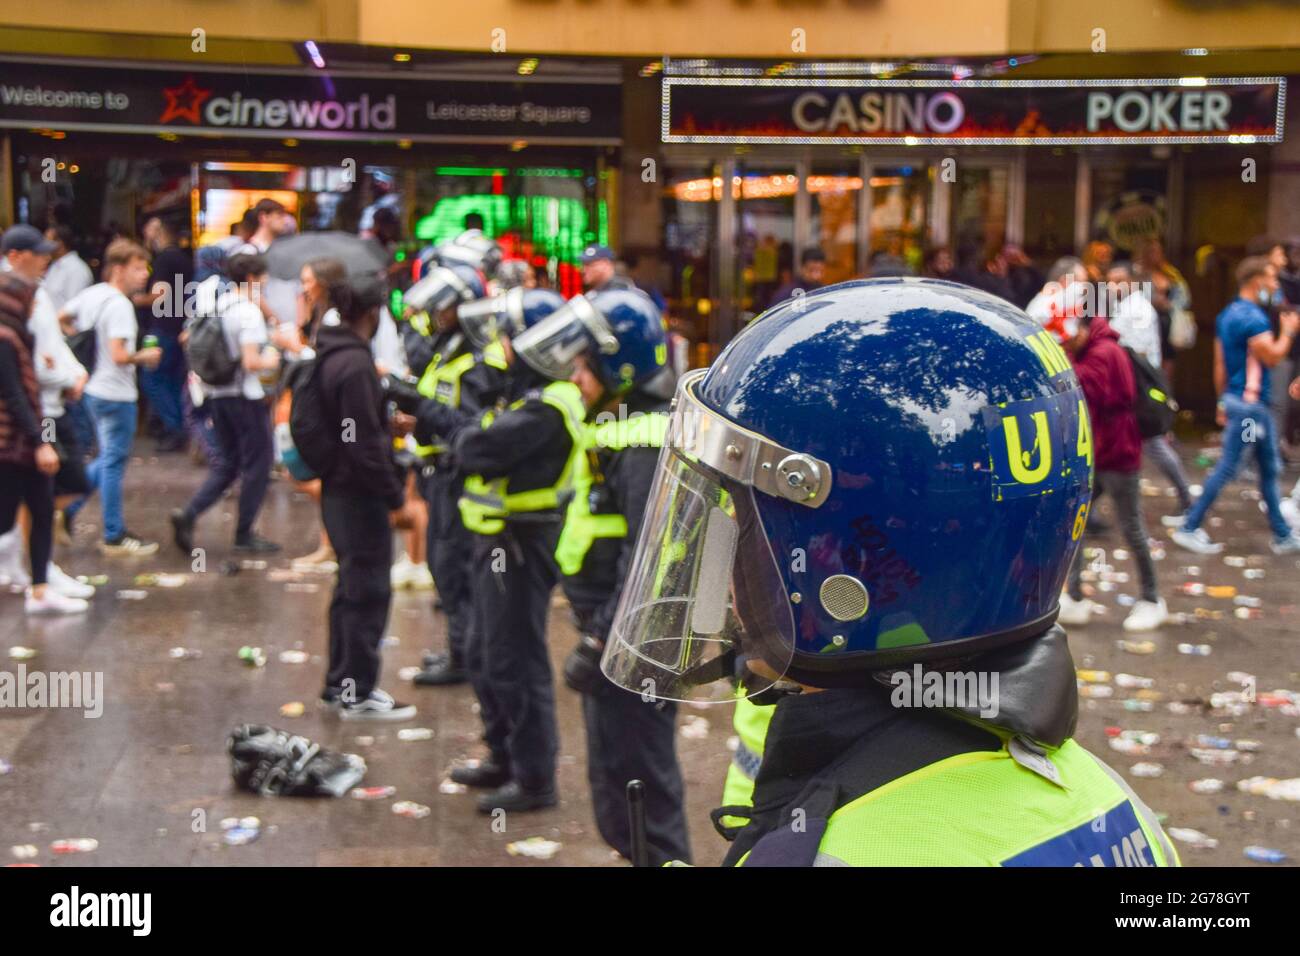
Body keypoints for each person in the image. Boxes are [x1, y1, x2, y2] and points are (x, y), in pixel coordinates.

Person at [598, 278, 1179, 867]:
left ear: (847, 573)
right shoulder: (1121, 810)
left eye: (741, 532)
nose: (725, 579)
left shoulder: (822, 856)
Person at [410, 289, 586, 814]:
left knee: (517, 661)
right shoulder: (526, 395)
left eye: (509, 337)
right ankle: (504, 758)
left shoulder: (549, 407)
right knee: (488, 655)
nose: (500, 347)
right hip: (495, 541)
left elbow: (474, 448)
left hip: (521, 545)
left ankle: (534, 780)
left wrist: (427, 412)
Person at [532, 288, 692, 865]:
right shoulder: (623, 427)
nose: (575, 377)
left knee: (642, 785)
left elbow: (653, 559)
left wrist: (604, 639)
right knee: (619, 782)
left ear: (616, 364)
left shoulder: (644, 441)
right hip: (617, 639)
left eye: (583, 364)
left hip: (634, 644)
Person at [402, 267, 525, 687]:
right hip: (436, 471)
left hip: (458, 478)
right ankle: (462, 650)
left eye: (446, 306)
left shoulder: (478, 359)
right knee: (444, 567)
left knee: (454, 569)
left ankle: (467, 658)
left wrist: (416, 405)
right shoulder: (448, 348)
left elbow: (469, 428)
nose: (437, 314)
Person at [313, 274, 415, 720]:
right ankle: (357, 691)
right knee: (367, 592)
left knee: (349, 588)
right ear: (373, 314)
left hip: (339, 490)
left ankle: (340, 684)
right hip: (358, 497)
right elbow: (362, 446)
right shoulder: (354, 365)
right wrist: (396, 500)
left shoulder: (330, 353)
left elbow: (355, 429)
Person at [1171, 257, 1300, 555]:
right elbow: (1272, 357)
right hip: (1249, 410)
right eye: (1271, 278)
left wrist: (1221, 400)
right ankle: (1190, 526)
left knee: (1268, 470)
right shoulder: (1252, 318)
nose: (1275, 285)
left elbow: (1219, 364)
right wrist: (1289, 332)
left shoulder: (1228, 314)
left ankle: (1282, 534)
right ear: (1256, 281)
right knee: (1230, 465)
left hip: (1246, 406)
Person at [0, 224, 95, 599]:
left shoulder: (32, 294)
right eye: (38, 253)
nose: (45, 259)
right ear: (15, 256)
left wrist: (72, 372)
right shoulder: (13, 300)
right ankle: (31, 565)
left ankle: (31, 563)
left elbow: (49, 345)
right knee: (45, 483)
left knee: (56, 484)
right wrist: (63, 376)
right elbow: (23, 369)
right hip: (38, 415)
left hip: (45, 408)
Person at [1057, 309, 1167, 632]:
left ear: (1083, 328)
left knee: (1132, 528)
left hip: (1117, 455)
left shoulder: (1104, 352)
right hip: (1100, 454)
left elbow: (1081, 387)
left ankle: (1151, 598)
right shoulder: (1099, 348)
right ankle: (1075, 596)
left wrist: (1064, 359)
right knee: (1075, 526)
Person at [170, 253, 281, 556]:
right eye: (263, 276)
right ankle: (245, 533)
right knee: (259, 465)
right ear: (252, 278)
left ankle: (190, 513)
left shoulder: (219, 304)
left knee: (229, 463)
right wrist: (272, 356)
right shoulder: (247, 312)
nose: (266, 281)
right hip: (245, 397)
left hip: (217, 396)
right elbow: (251, 361)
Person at [60, 239, 162, 556]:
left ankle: (67, 508)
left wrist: (75, 349)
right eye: (137, 268)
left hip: (92, 388)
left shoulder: (92, 295)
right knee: (113, 462)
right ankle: (113, 533)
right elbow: (119, 355)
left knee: (107, 458)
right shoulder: (118, 305)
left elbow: (62, 317)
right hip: (117, 393)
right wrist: (147, 357)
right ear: (118, 269)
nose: (143, 275)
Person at [1102, 261, 1194, 517]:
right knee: (1116, 445)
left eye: (1118, 281)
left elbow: (1138, 355)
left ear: (1131, 282)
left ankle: (1186, 496)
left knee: (1153, 444)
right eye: (1109, 281)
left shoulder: (1140, 310)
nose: (1112, 286)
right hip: (1130, 388)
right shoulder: (1124, 308)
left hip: (1140, 389)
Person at [136, 216, 193, 452]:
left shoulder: (164, 259)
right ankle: (179, 427)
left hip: (163, 327)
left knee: (153, 378)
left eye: (149, 229)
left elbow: (160, 294)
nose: (146, 234)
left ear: (159, 231)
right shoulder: (184, 258)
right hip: (179, 326)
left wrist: (135, 298)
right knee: (171, 379)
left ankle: (175, 427)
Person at [42, 225, 94, 310]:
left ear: (59, 243)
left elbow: (74, 309)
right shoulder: (55, 265)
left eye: (47, 240)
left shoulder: (77, 270)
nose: (44, 246)